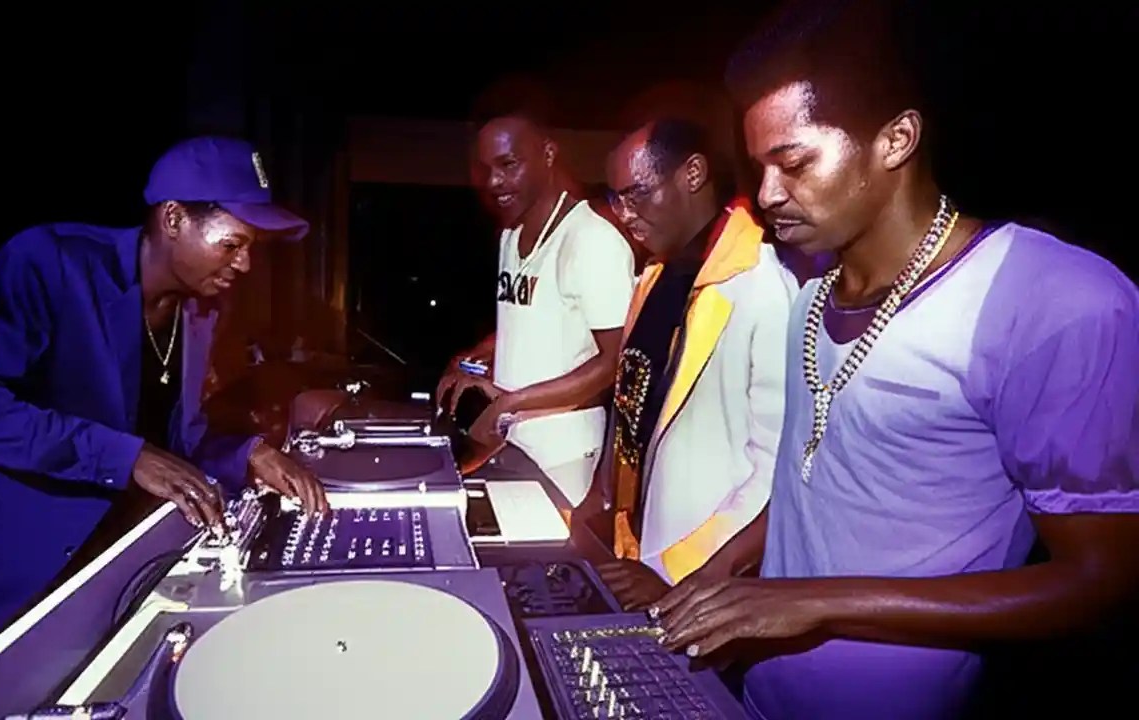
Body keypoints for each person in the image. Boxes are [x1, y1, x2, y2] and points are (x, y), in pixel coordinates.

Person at [651, 2, 1139, 719]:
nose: (766, 194)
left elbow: (1104, 579)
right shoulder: (808, 301)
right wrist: (719, 575)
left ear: (898, 139)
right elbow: (818, 484)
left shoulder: (1056, 299)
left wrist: (814, 604)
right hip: (755, 696)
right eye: (759, 167)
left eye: (794, 161)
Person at [0, 136, 330, 662]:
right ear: (173, 218)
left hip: (111, 567)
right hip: (14, 572)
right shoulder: (49, 262)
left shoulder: (201, 311)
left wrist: (249, 453)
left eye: (250, 249)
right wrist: (121, 456)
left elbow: (180, 439)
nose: (244, 264)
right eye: (232, 244)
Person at [584, 118, 796, 609]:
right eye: (615, 200)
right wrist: (602, 502)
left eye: (635, 194)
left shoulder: (764, 285)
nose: (625, 215)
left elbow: (776, 474)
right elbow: (635, 411)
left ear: (693, 174)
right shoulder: (653, 277)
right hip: (638, 560)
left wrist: (675, 570)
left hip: (706, 587)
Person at [437, 85, 636, 512]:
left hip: (563, 451)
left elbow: (613, 361)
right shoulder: (511, 235)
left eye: (508, 165)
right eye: (486, 168)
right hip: (514, 438)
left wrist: (511, 403)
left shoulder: (591, 240)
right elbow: (532, 320)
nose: (493, 182)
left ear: (548, 154)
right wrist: (473, 359)